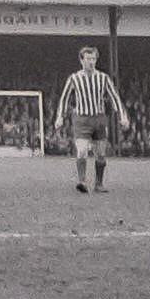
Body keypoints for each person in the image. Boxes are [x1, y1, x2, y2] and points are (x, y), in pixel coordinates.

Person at [54, 46, 130, 194]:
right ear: (82, 60)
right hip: (82, 119)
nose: (91, 62)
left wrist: (123, 116)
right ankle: (82, 181)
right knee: (82, 150)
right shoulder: (74, 78)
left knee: (100, 154)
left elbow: (114, 97)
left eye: (94, 59)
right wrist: (60, 117)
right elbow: (64, 98)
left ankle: (99, 184)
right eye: (88, 59)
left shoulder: (103, 77)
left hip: (99, 119)